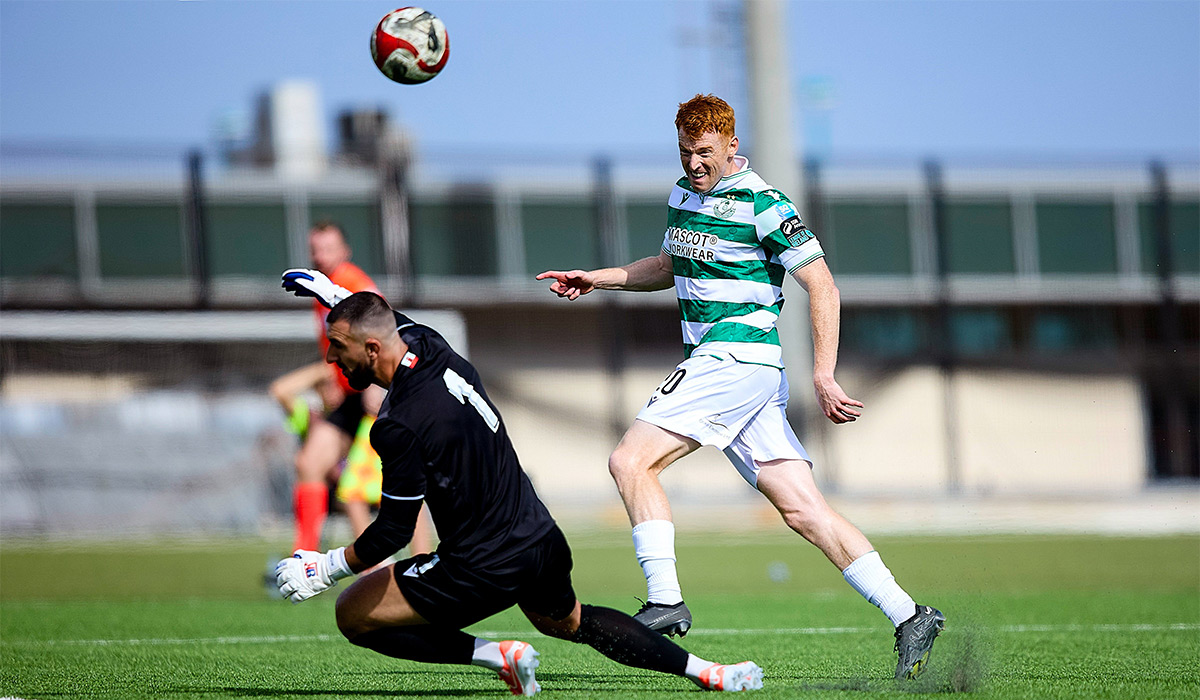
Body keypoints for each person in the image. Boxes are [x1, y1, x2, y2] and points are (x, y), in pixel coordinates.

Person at [536, 94, 944, 680]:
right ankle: (910, 614)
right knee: (803, 510)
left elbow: (823, 287)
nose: (694, 163)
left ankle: (666, 598)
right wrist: (598, 278)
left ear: (731, 145)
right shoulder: (684, 194)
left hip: (735, 358)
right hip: (732, 369)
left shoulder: (766, 204)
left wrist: (823, 373)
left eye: (704, 152)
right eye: (684, 152)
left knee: (630, 461)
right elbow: (668, 264)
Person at [272, 284, 764, 695]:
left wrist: (324, 567)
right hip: (540, 540)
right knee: (569, 623)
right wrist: (337, 295)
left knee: (352, 613)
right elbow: (388, 321)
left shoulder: (396, 424)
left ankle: (495, 655)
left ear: (372, 350)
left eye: (338, 346)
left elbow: (393, 531)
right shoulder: (434, 346)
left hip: (481, 566)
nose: (333, 359)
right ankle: (709, 672)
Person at [269, 361, 434, 554]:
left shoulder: (362, 414)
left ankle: (420, 558)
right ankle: (371, 561)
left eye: (334, 385)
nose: (332, 392)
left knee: (402, 487)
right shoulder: (310, 417)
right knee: (350, 493)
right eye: (325, 388)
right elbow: (280, 390)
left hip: (371, 486)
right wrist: (323, 370)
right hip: (337, 491)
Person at [289, 222, 379, 552]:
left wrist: (375, 383)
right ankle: (306, 555)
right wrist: (333, 376)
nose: (320, 256)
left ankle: (418, 562)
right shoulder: (320, 291)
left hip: (372, 395)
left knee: (395, 486)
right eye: (315, 249)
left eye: (328, 249)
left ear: (345, 252)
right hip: (348, 396)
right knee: (310, 464)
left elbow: (382, 323)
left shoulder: (352, 282)